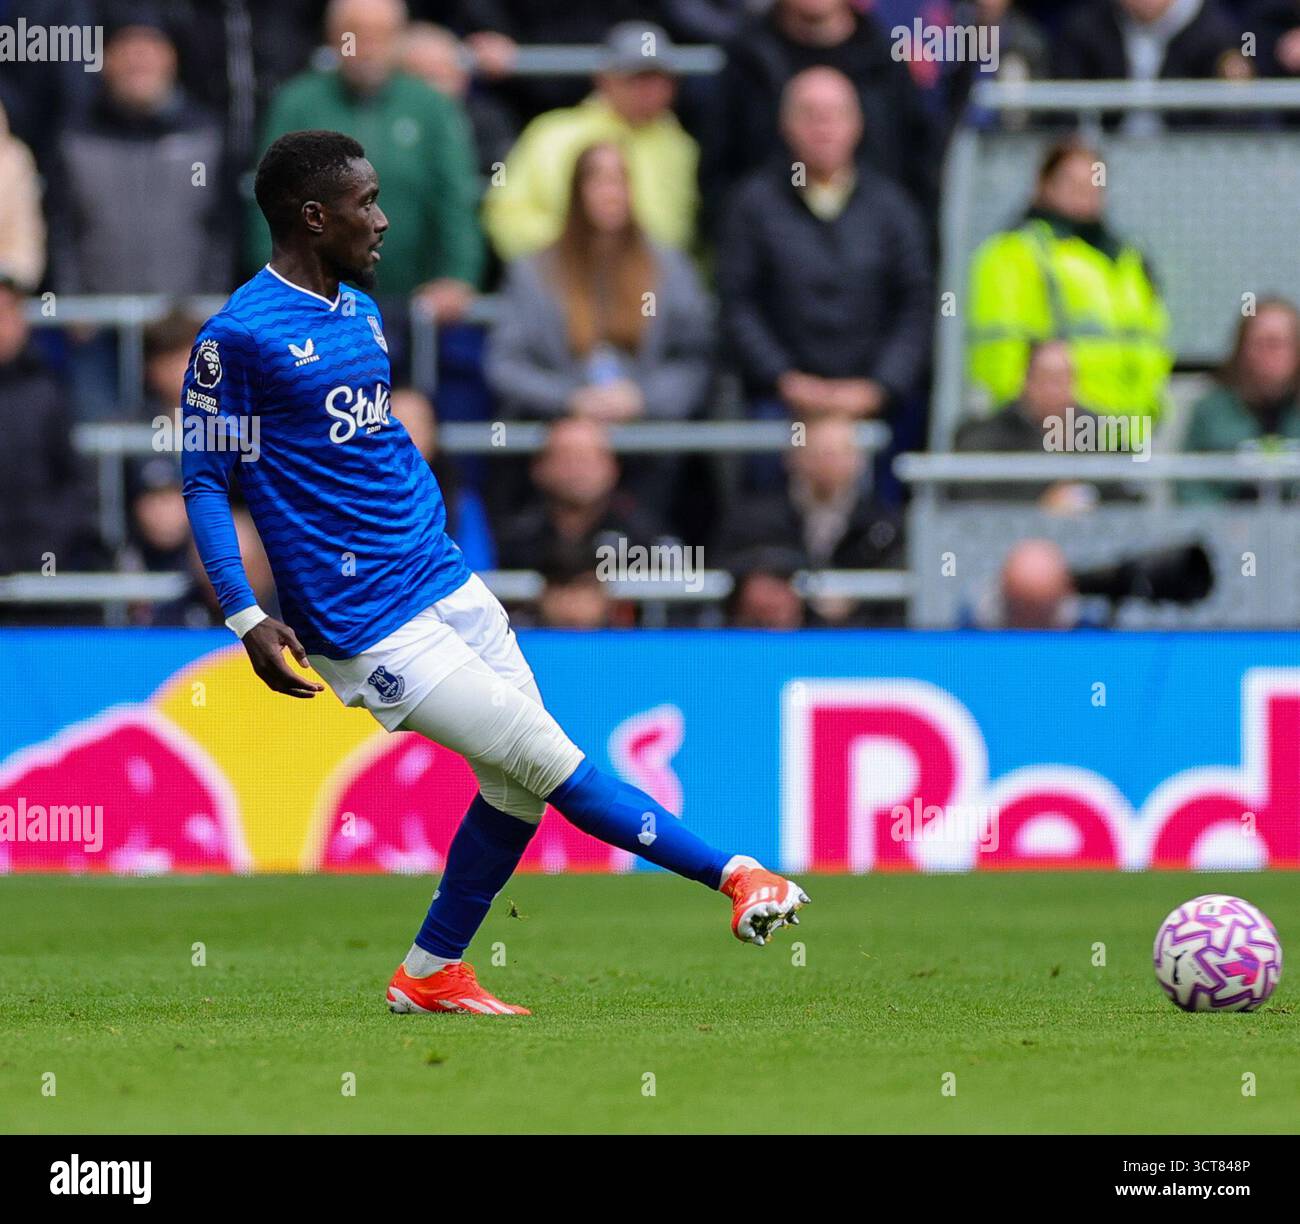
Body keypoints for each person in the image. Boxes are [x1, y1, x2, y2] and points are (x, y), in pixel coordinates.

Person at [181, 129, 808, 1018]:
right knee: (550, 762)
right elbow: (206, 482)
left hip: (443, 581)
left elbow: (372, 446)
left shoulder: (360, 312)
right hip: (364, 623)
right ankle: (738, 875)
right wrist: (246, 616)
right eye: (364, 203)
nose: (383, 219)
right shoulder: (238, 337)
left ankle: (430, 971)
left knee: (513, 786)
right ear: (312, 217)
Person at [717, 67, 931, 426]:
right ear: (785, 125)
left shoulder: (891, 206)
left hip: (877, 404)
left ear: (858, 124)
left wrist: (878, 386)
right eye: (810, 116)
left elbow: (916, 303)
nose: (823, 128)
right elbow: (736, 302)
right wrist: (786, 380)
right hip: (775, 402)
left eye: (835, 115)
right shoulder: (753, 205)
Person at [251, 0, 483, 320]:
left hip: (412, 305)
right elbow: (268, 201)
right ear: (333, 38)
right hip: (313, 304)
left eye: (381, 35)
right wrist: (279, 282)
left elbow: (455, 198)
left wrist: (457, 277)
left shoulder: (430, 107)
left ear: (400, 39)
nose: (368, 48)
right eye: (355, 35)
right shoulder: (297, 105)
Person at [486, 141, 713, 423]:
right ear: (576, 190)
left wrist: (642, 398)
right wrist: (569, 400)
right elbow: (506, 366)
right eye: (598, 181)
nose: (610, 193)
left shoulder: (670, 269)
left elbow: (696, 358)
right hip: (558, 430)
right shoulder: (533, 272)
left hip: (649, 433)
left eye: (619, 181)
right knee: (580, 448)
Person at [966, 137, 1172, 422]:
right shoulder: (1015, 253)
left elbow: (1150, 341)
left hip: (1127, 435)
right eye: (1073, 184)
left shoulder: (1127, 257)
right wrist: (1022, 424)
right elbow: (1001, 348)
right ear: (1044, 185)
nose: (1085, 194)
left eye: (1094, 185)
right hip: (1055, 436)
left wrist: (1150, 413)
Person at [482, 22, 700, 262]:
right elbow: (507, 211)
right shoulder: (552, 132)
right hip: (565, 280)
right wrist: (567, 259)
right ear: (604, 79)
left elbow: (683, 232)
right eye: (638, 79)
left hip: (653, 283)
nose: (651, 91)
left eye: (661, 80)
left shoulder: (680, 145)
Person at [1181, 299, 1300, 501]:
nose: (1268, 355)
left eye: (1277, 344)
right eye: (1258, 343)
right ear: (1241, 348)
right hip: (1226, 527)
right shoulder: (1212, 412)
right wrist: (1222, 526)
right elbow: (1190, 486)